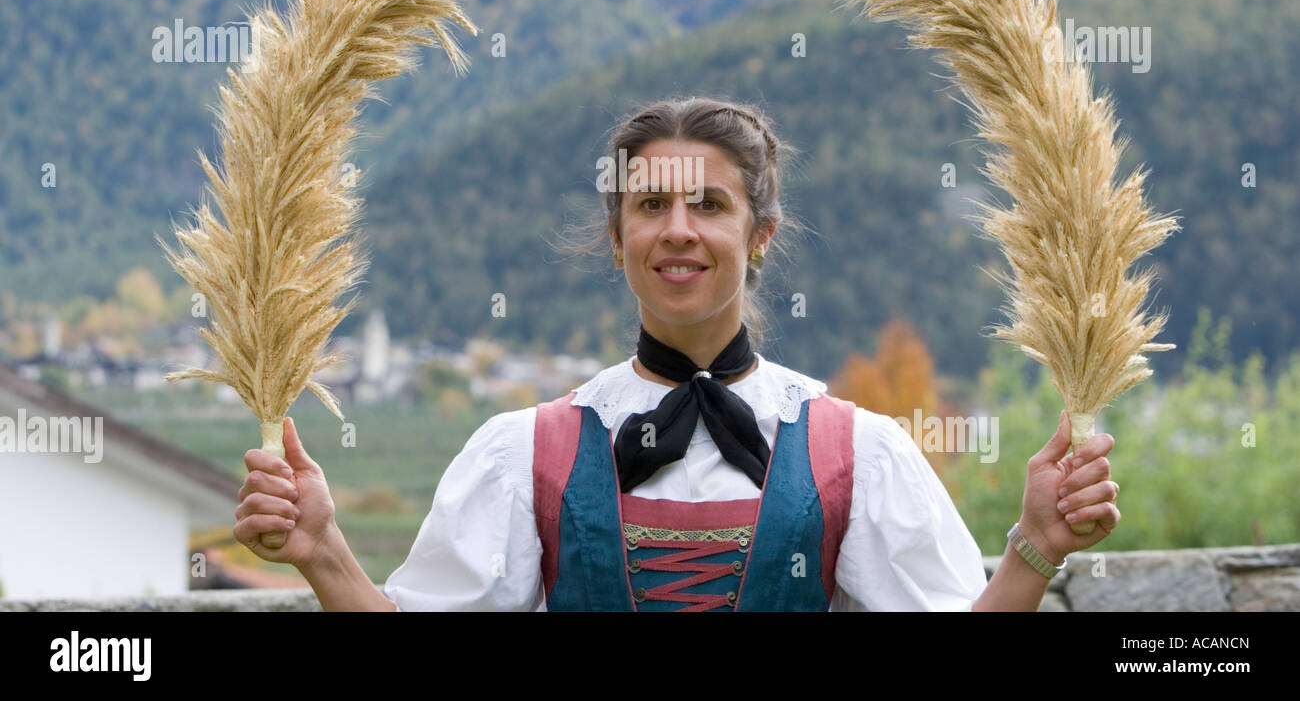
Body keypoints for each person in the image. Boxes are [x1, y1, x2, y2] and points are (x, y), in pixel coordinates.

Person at [234, 96, 1120, 610]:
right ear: (617, 234)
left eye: (709, 205)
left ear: (761, 234)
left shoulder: (857, 452)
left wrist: (1035, 546)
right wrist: (322, 551)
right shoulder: (523, 454)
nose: (679, 231)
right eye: (650, 206)